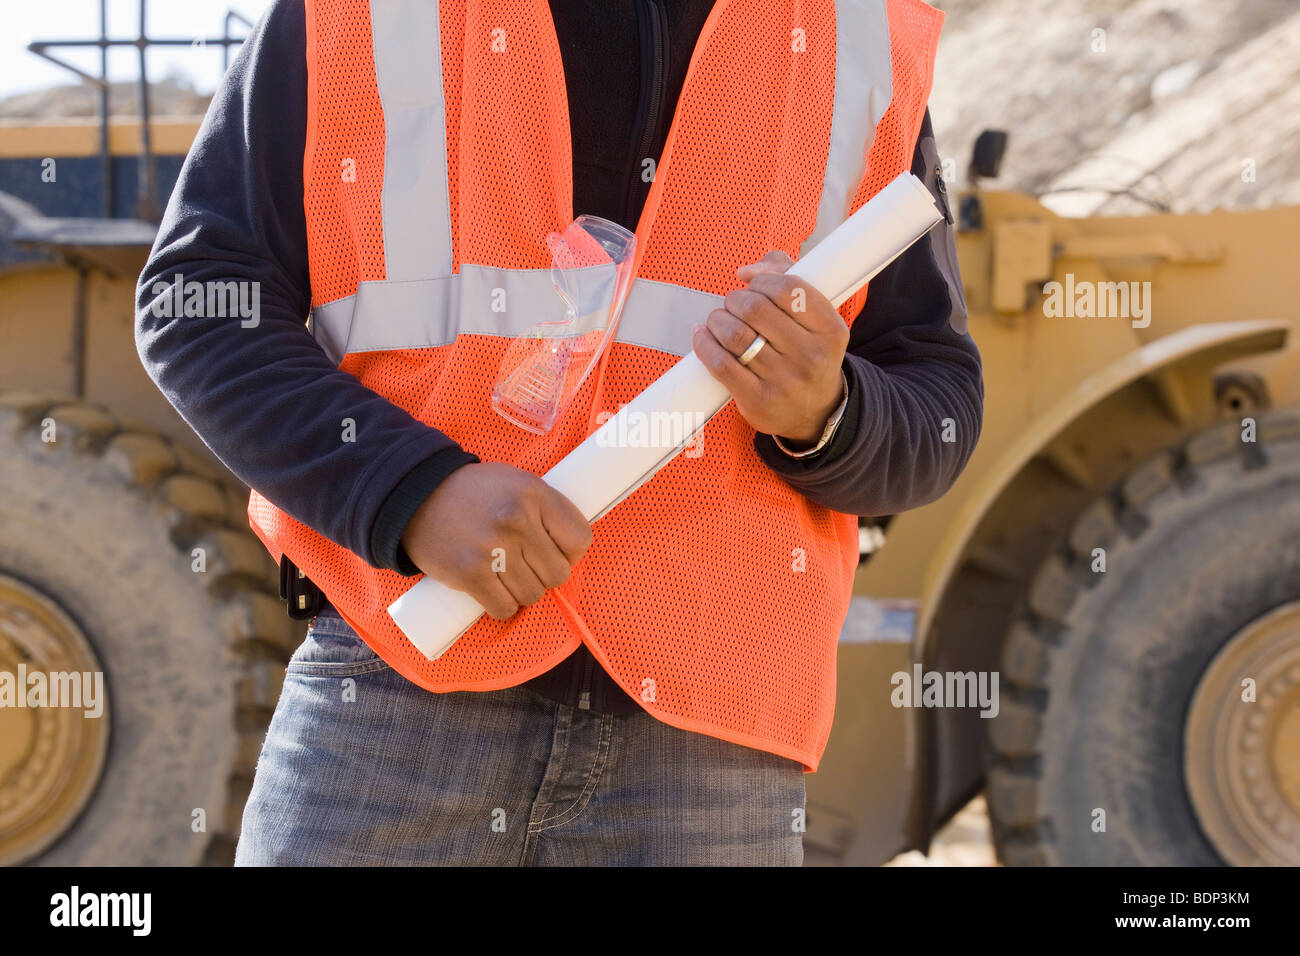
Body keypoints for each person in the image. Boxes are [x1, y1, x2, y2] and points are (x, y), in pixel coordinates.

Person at [136, 0, 982, 866]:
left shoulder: (855, 32)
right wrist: (407, 491)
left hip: (706, 744)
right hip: (398, 686)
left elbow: (940, 406)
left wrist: (825, 410)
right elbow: (200, 302)